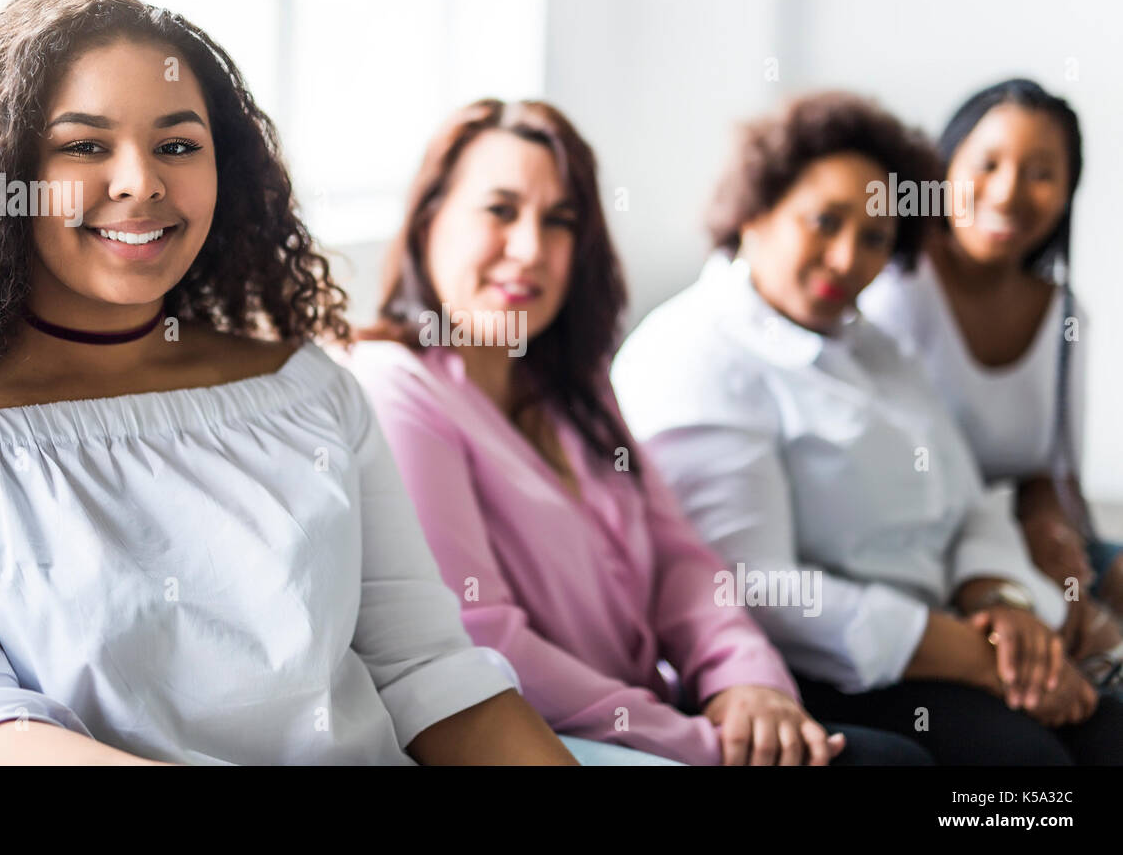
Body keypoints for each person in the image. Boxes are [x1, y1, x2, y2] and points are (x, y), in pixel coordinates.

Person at [0, 0, 575, 766]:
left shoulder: (307, 390)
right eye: (84, 146)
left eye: (178, 147)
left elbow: (428, 670)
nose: (141, 182)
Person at [344, 98, 930, 765]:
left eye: (561, 221)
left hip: (659, 712)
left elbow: (680, 559)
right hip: (550, 739)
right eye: (500, 210)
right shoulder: (395, 386)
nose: (531, 248)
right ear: (429, 220)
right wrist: (691, 740)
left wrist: (746, 681)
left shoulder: (572, 383)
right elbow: (481, 637)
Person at [611, 91, 1123, 763]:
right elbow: (750, 583)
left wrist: (999, 602)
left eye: (876, 237)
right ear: (757, 210)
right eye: (825, 221)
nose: (848, 257)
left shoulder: (874, 347)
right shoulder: (693, 351)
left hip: (949, 635)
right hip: (824, 663)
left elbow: (974, 504)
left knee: (1110, 731)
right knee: (1027, 770)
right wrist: (969, 654)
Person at [859, 80, 1123, 680]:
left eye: (1041, 173)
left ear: (1067, 194)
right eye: (988, 163)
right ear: (943, 166)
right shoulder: (894, 287)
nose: (1007, 192)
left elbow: (1052, 474)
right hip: (923, 547)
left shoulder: (1066, 316)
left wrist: (1063, 548)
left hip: (1019, 539)